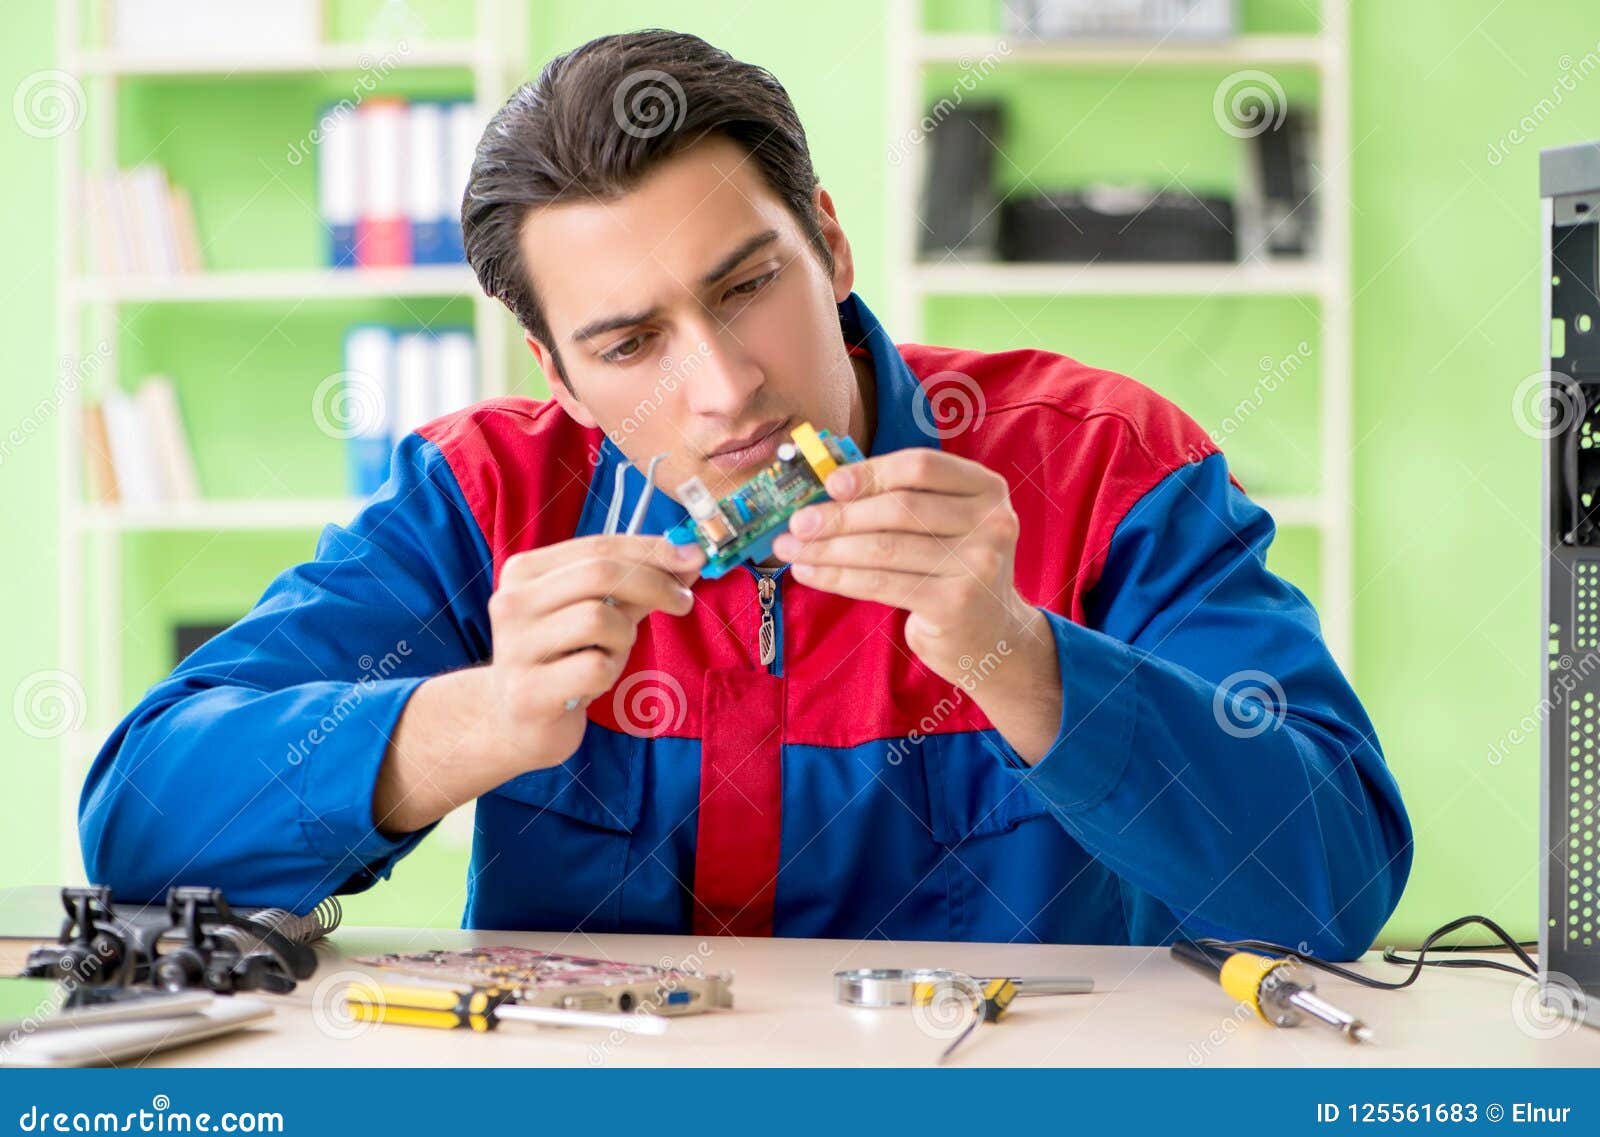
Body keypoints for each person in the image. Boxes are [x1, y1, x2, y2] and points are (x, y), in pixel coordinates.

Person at [80, 29, 1411, 955]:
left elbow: (1333, 878)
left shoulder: (1107, 459)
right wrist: (472, 720)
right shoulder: (483, 497)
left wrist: (1023, 657)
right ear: (554, 370)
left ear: (827, 241)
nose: (721, 388)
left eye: (745, 287)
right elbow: (142, 823)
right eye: (628, 343)